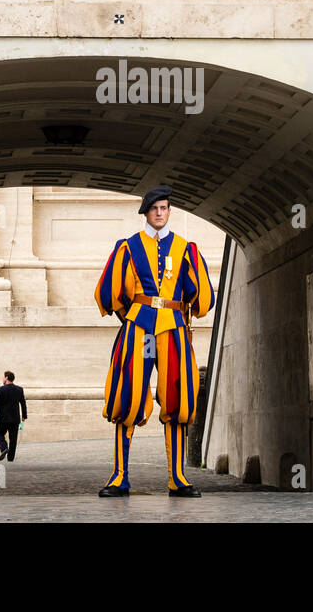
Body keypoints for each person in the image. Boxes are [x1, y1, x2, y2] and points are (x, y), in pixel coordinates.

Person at [93, 185, 214, 497]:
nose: (160, 213)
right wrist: (132, 316)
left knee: (178, 397)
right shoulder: (129, 247)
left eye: (164, 208)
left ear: (169, 211)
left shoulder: (185, 248)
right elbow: (111, 292)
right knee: (127, 396)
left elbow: (199, 295)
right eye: (155, 209)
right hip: (139, 328)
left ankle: (177, 479)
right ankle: (119, 477)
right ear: (146, 212)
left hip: (172, 327)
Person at [0, 371, 28, 462]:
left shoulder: (1, 389)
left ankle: (4, 448)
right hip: (14, 419)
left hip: (3, 418)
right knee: (13, 439)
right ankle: (10, 458)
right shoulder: (19, 389)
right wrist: (24, 416)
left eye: (3, 377)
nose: (3, 379)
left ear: (6, 378)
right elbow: (23, 403)